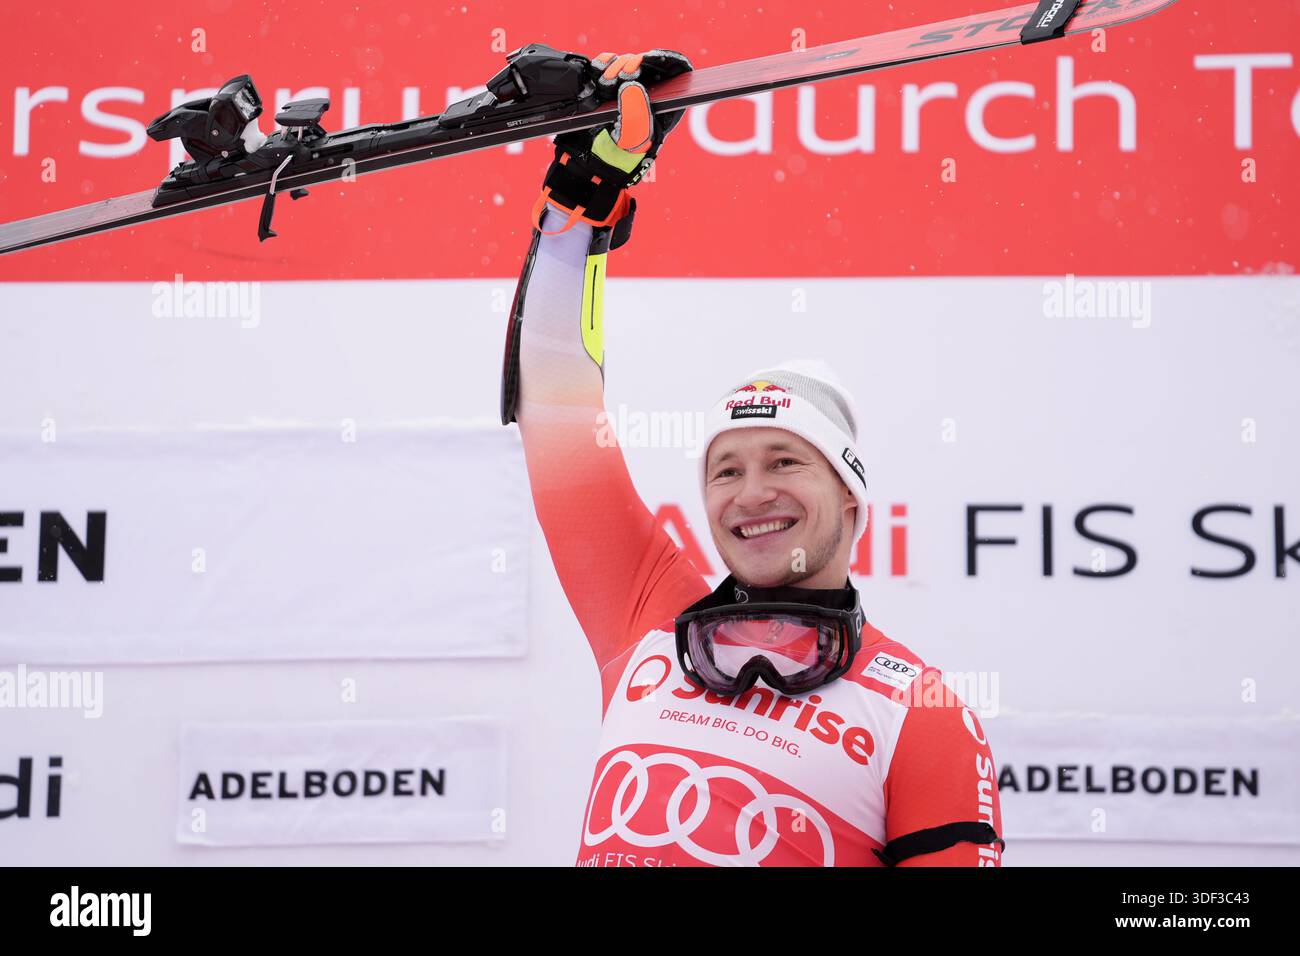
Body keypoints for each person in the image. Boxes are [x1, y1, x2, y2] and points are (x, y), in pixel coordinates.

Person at [500, 50, 1004, 867]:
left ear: (850, 496)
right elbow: (555, 404)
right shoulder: (646, 619)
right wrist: (578, 212)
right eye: (725, 470)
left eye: (785, 461)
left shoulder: (922, 707)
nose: (751, 492)